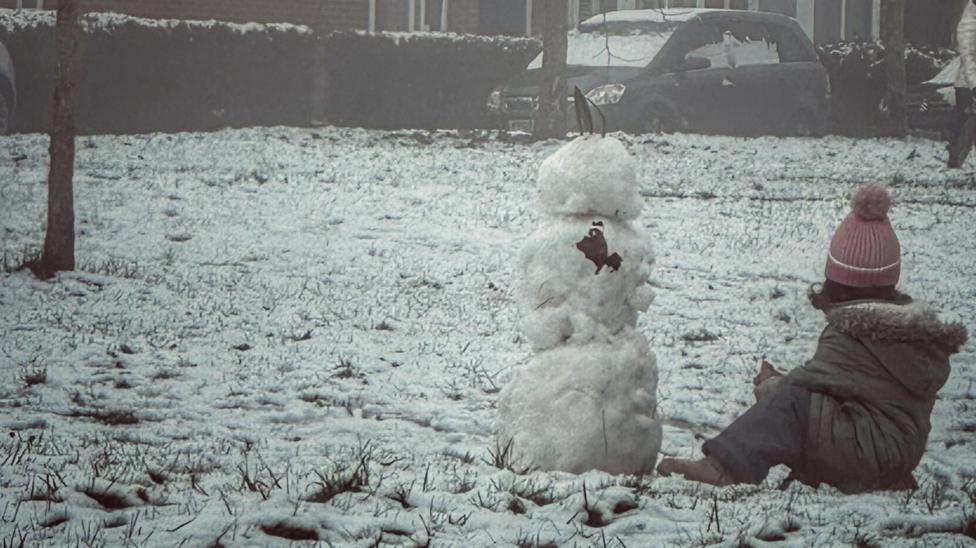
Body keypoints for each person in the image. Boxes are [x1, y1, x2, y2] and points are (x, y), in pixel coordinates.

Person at [657, 184, 968, 493]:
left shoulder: (853, 333)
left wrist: (770, 386)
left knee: (793, 400)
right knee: (813, 407)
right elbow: (848, 387)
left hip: (868, 450)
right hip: (897, 451)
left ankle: (723, 467)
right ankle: (865, 477)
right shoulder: (908, 331)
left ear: (836, 280)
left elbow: (806, 388)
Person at [949, 0, 976, 168]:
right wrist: (974, 84)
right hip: (968, 84)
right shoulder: (969, 20)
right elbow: (967, 55)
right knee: (966, 125)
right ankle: (955, 162)